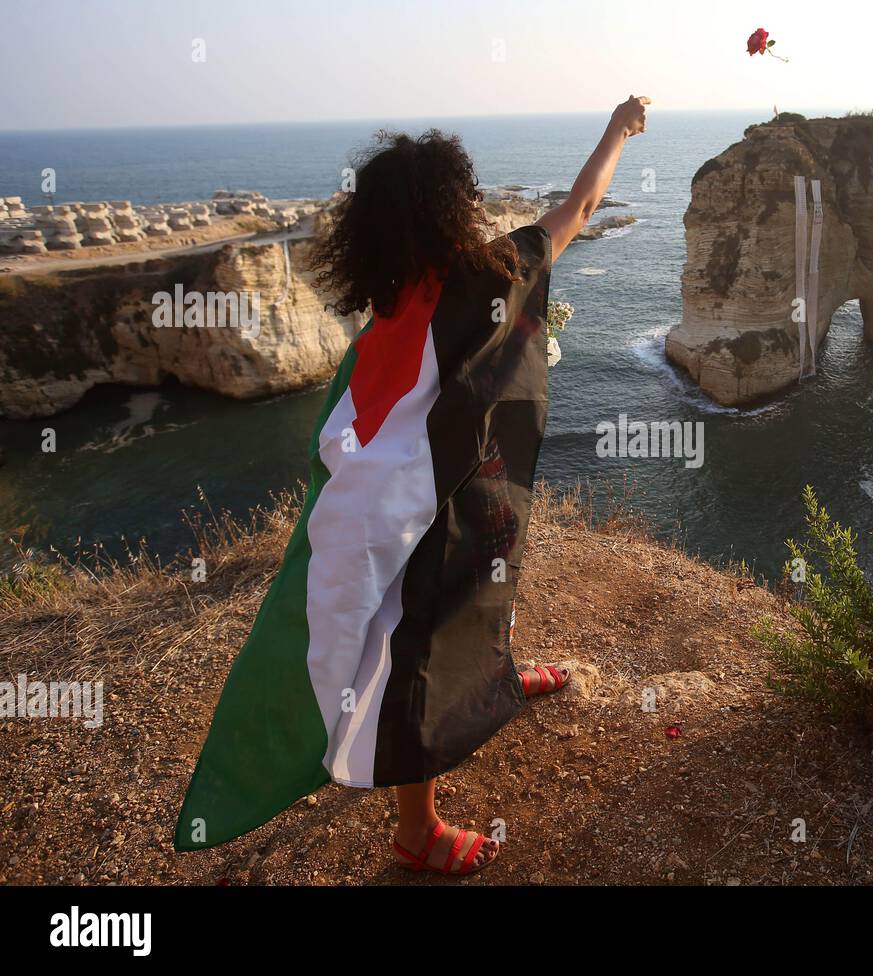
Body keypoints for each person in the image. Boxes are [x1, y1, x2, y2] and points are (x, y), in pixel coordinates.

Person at [174, 96, 651, 876]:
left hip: (469, 498)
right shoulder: (494, 273)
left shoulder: (387, 315)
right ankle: (416, 830)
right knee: (415, 652)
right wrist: (621, 128)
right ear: (451, 211)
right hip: (426, 516)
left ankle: (494, 678)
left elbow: (344, 437)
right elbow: (583, 204)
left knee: (480, 601)